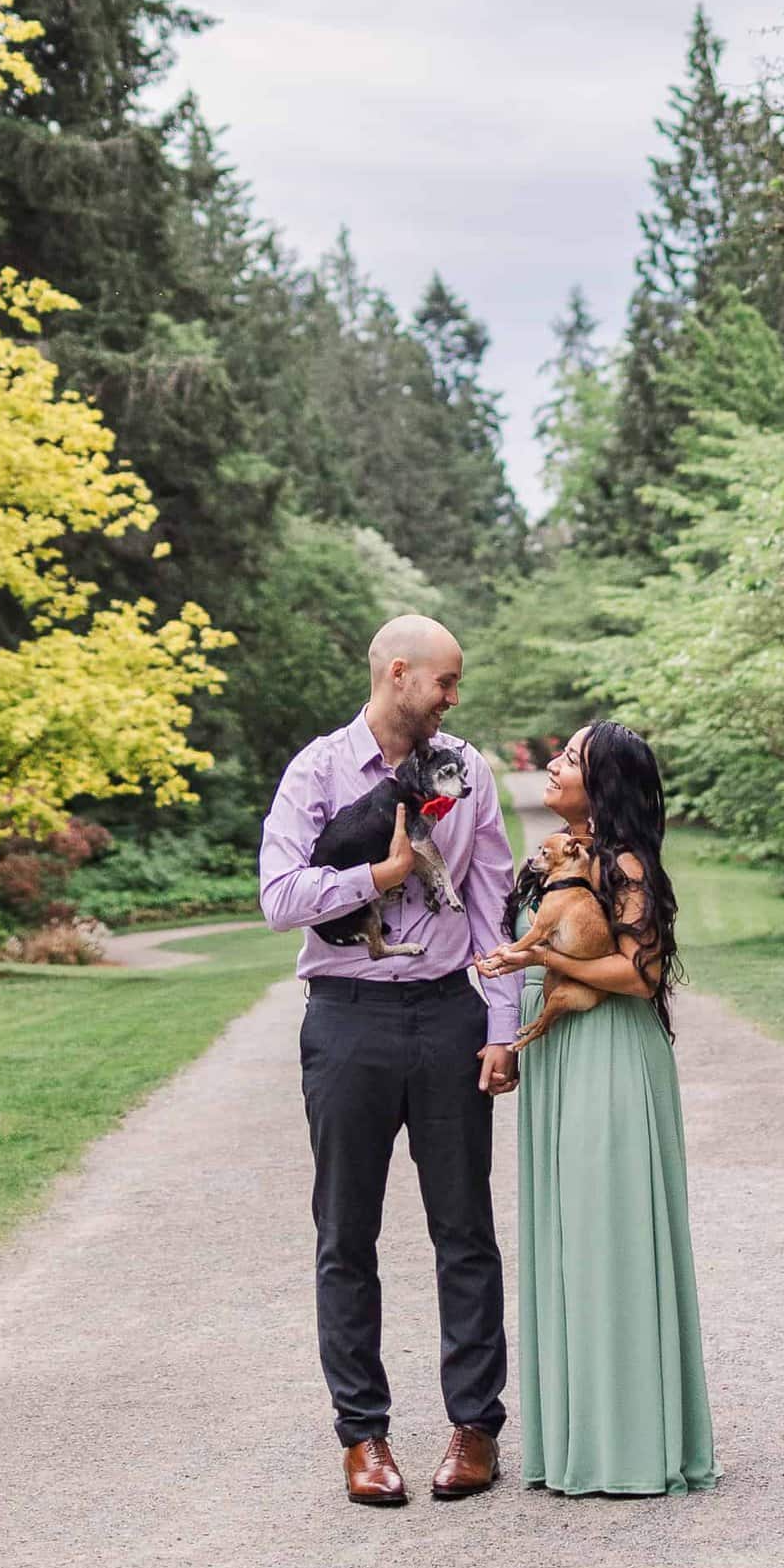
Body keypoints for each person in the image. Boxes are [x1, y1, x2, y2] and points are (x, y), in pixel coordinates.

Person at [257, 614, 520, 1508]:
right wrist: (377, 877)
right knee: (346, 1236)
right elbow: (280, 894)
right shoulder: (318, 771)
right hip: (347, 1021)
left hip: (449, 1014)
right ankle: (363, 1437)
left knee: (465, 1231)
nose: (453, 698)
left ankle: (474, 1426)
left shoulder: (470, 771)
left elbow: (491, 900)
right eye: (444, 682)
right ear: (398, 674)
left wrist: (500, 1026)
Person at [475, 718, 716, 1497]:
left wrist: (539, 955)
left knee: (609, 1233)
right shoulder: (559, 862)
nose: (553, 764)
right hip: (562, 1056)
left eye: (571, 758)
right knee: (569, 1236)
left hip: (610, 1055)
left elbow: (639, 974)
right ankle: (579, 1439)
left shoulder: (624, 862)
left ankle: (630, 1447)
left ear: (602, 781)